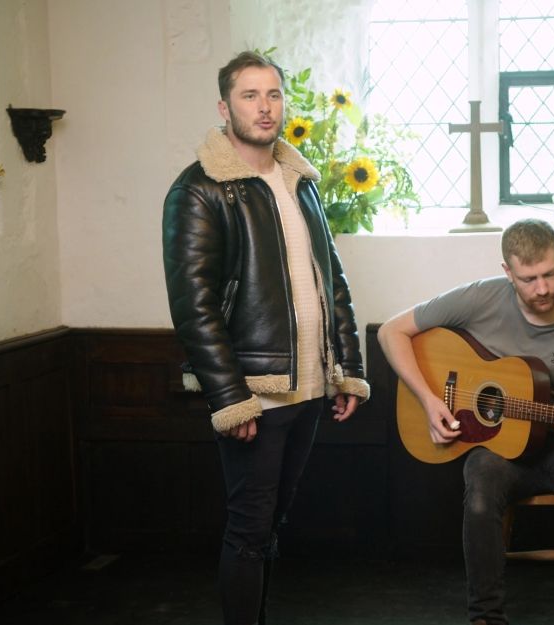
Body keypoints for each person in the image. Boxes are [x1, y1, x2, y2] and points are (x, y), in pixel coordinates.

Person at [161, 50, 370, 625]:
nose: (265, 106)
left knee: (272, 524)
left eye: (274, 94)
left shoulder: (299, 181)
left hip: (306, 390)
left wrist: (347, 368)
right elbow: (194, 308)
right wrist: (231, 400)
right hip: (255, 392)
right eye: (250, 95)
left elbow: (335, 284)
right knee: (249, 528)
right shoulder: (199, 190)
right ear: (224, 106)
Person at [378, 218, 554, 625]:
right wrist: (431, 399)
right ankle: (486, 618)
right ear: (508, 272)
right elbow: (390, 332)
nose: (541, 289)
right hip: (497, 446)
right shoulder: (480, 298)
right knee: (481, 492)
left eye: (549, 274)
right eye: (528, 279)